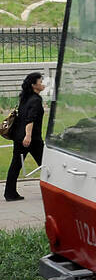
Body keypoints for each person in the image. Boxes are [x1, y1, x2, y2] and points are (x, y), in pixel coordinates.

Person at [5, 72, 45, 201]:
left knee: (15, 165)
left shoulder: (25, 98)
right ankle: (53, 190)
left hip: (19, 137)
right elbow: (30, 119)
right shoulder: (35, 100)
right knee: (46, 164)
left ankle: (10, 193)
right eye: (40, 82)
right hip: (31, 139)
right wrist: (28, 136)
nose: (43, 84)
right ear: (34, 85)